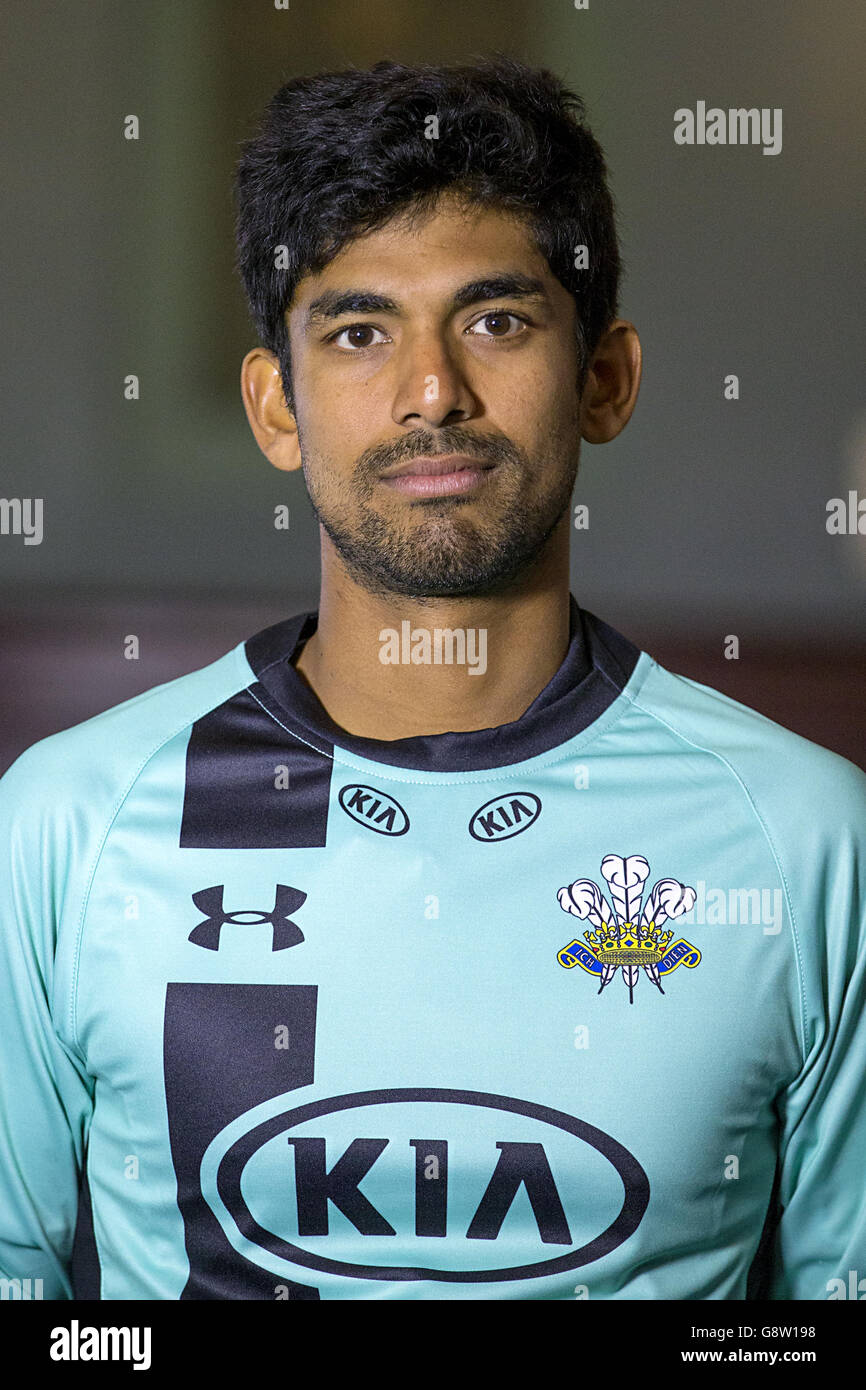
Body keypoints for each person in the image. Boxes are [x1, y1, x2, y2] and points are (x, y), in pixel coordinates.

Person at [1, 56, 864, 1303]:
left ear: (605, 378)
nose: (429, 394)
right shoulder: (69, 824)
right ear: (276, 406)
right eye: (358, 332)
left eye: (496, 321)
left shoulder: (804, 840)